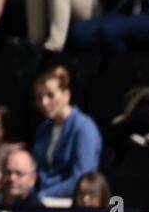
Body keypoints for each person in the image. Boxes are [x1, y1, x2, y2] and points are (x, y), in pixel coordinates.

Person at [31, 66, 101, 199]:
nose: (44, 103)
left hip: (71, 201)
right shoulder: (44, 128)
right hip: (42, 197)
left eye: (50, 95)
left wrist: (43, 195)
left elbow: (81, 178)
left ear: (66, 95)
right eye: (39, 97)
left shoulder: (83, 127)